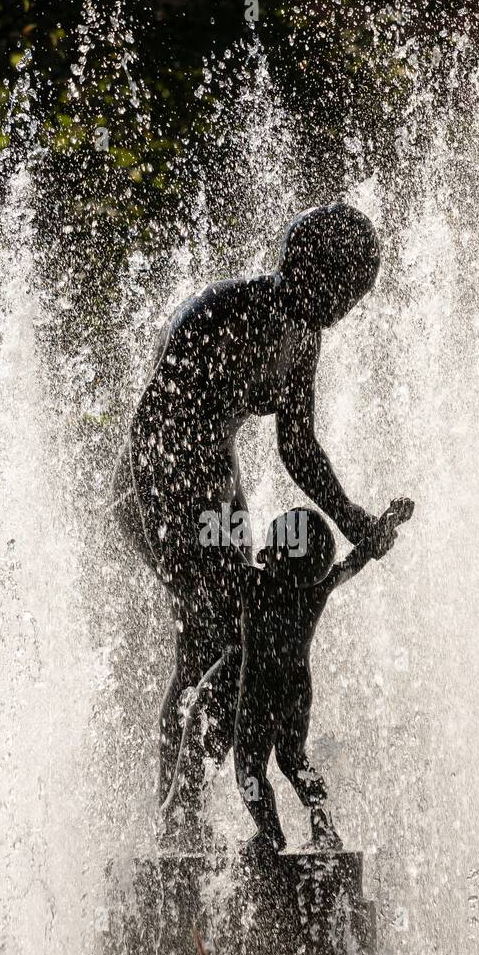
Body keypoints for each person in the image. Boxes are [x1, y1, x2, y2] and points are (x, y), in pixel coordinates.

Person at [113, 202, 389, 824]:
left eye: (355, 294)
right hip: (157, 480)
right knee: (210, 634)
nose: (346, 309)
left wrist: (353, 521)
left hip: (213, 486)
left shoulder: (302, 335)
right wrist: (198, 522)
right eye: (344, 287)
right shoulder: (229, 310)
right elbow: (162, 421)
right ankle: (178, 816)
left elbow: (297, 444)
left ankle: (190, 806)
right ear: (307, 266)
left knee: (236, 638)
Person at [162, 500, 414, 857]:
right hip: (296, 692)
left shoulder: (254, 585)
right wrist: (382, 529)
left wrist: (199, 522)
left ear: (274, 555)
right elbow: (355, 561)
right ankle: (324, 827)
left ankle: (269, 831)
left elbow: (222, 560)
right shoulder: (316, 589)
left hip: (258, 695)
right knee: (293, 760)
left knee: (249, 769)